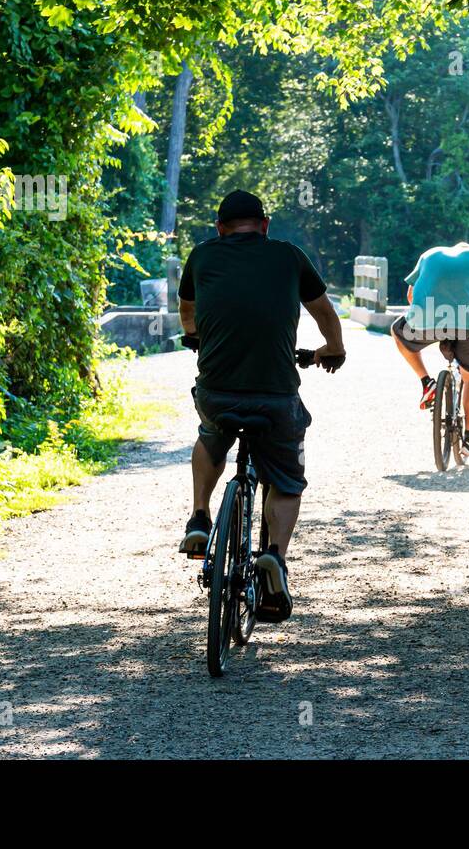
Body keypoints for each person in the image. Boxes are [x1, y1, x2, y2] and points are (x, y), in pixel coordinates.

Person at [176, 189, 345, 622]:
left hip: (218, 391)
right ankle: (274, 556)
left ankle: (199, 517)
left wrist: (197, 336)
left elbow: (188, 311)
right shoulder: (289, 256)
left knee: (212, 435)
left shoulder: (202, 255)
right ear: (265, 226)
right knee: (287, 478)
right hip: (275, 396)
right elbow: (324, 312)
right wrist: (333, 350)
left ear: (219, 229)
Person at [390, 242, 469, 455]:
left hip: (425, 321)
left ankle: (427, 382)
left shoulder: (429, 255)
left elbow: (410, 296)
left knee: (397, 331)